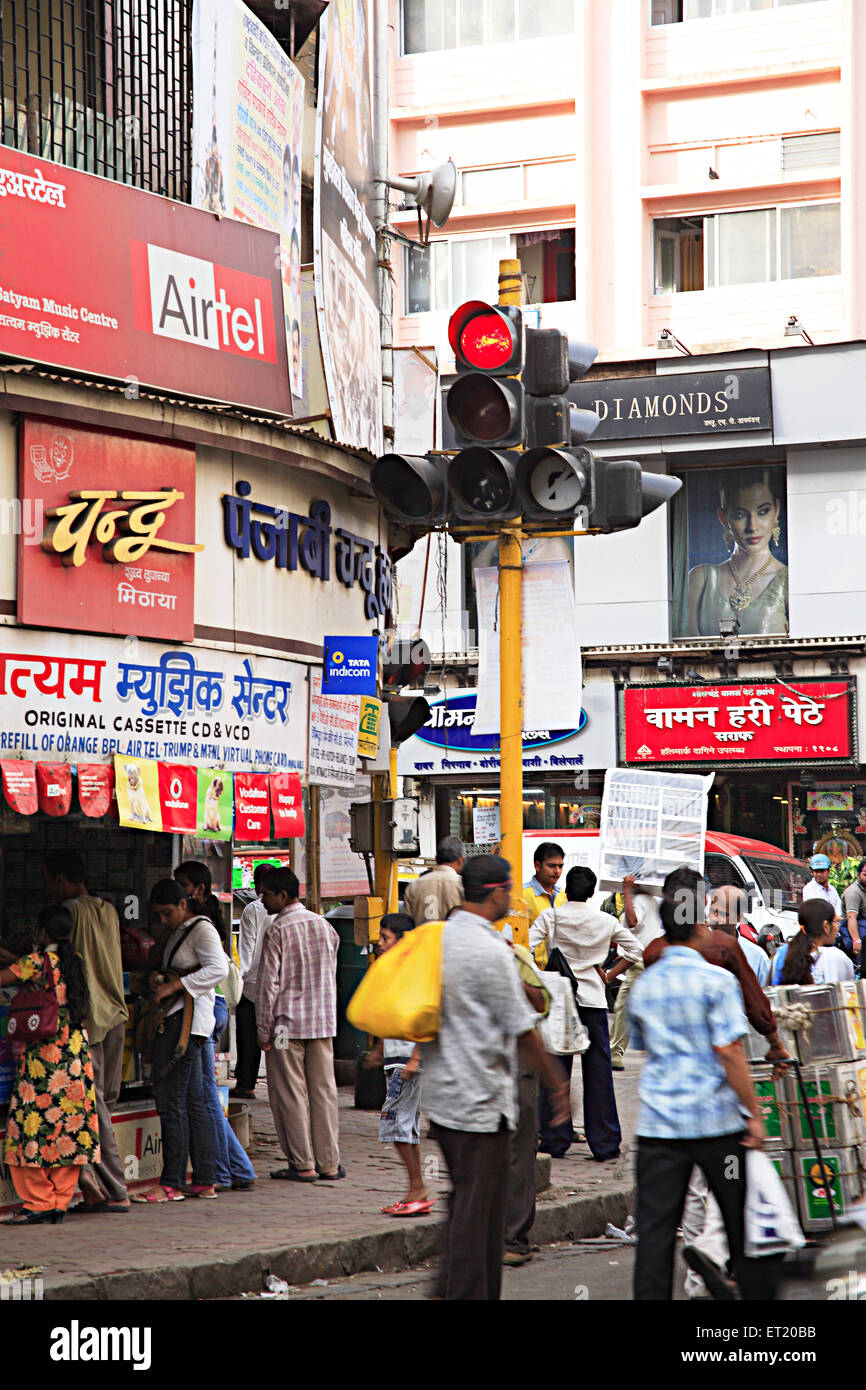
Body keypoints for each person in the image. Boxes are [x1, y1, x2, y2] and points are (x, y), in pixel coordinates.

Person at [421, 854, 570, 1301]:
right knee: (476, 1214)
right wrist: (558, 1086)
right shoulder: (490, 950)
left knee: (471, 1206)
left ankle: (465, 1290)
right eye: (508, 889)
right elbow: (523, 1027)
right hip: (480, 1104)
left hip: (446, 1099)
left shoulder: (439, 941)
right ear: (496, 892)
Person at [628, 893, 778, 1301]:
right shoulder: (718, 981)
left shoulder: (645, 984)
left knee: (655, 1236)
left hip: (659, 1129)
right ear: (698, 927)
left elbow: (643, 1045)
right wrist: (754, 1113)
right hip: (718, 1128)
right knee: (739, 1225)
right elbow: (729, 1052)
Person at [530, 864, 642, 1161]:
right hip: (593, 1001)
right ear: (592, 893)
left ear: (566, 889)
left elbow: (526, 948)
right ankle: (604, 1144)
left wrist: (541, 978)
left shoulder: (551, 915)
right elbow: (636, 951)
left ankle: (555, 1139)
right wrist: (608, 973)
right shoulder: (605, 921)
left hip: (561, 1002)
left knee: (557, 1070)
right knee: (598, 1073)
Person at [1, 906, 101, 1224]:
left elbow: (5, 977)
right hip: (73, 1052)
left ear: (42, 933)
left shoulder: (35, 962)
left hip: (43, 1056)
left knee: (29, 1124)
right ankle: (59, 1199)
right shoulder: (75, 962)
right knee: (67, 1126)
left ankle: (38, 1201)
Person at [43, 850, 129, 1213]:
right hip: (115, 1011)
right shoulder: (106, 909)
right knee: (105, 1102)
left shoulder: (71, 911)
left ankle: (114, 1188)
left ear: (61, 880)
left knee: (94, 1108)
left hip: (90, 1017)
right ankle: (96, 1184)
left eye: (50, 881)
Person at [132, 880, 227, 1202]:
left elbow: (219, 969)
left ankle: (171, 1183)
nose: (163, 920)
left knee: (171, 1103)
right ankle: (203, 1179)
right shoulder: (184, 929)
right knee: (195, 1104)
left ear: (183, 904)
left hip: (184, 1026)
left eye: (167, 913)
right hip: (192, 1025)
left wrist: (175, 986)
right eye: (158, 915)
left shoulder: (201, 930)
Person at [256, 867, 343, 1183]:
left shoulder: (277, 930)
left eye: (265, 894)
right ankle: (329, 1163)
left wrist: (262, 1031)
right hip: (321, 1023)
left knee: (289, 1094)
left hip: (285, 1028)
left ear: (282, 895)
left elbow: (268, 987)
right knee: (324, 1093)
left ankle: (302, 1163)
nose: (261, 900)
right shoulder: (325, 926)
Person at [362, 913, 430, 1217]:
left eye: (386, 937)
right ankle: (416, 1190)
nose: (380, 942)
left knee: (397, 1123)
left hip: (407, 1060)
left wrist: (416, 1057)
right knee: (405, 1125)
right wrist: (379, 1049)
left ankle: (418, 1190)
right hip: (398, 1057)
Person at [687, 467, 788, 637]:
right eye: (740, 515)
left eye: (763, 512)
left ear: (776, 511)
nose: (753, 526)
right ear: (723, 518)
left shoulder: (789, 582)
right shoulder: (701, 579)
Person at [203, 990, 257, 1192]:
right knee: (206, 1097)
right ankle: (238, 1168)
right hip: (215, 1006)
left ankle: (225, 1171)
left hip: (205, 1011)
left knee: (206, 1098)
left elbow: (216, 967)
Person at [609, 874, 663, 1070]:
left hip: (638, 964)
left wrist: (627, 891)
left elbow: (632, 921)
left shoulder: (639, 900)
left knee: (623, 1009)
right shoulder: (652, 900)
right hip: (648, 962)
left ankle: (615, 1053)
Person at [234, 863, 273, 1099]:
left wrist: (241, 978)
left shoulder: (254, 909)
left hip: (253, 984)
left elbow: (246, 948)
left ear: (257, 885)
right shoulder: (287, 910)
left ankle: (246, 1083)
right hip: (277, 984)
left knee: (248, 1035)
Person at [777, 898, 854, 985]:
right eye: (835, 922)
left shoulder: (782, 953)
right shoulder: (835, 956)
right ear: (826, 926)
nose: (837, 928)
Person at [706, 885, 770, 986]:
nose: (715, 920)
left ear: (738, 917)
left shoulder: (757, 957)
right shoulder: (697, 949)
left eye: (723, 914)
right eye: (712, 912)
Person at [403, 837, 465, 925]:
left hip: (422, 938)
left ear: (436, 859)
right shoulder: (463, 884)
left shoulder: (414, 885)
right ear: (460, 860)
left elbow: (407, 923)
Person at [523, 842, 566, 967]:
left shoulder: (561, 895)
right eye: (552, 866)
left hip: (560, 969)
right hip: (534, 971)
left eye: (560, 866)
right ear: (537, 865)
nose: (557, 871)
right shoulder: (523, 895)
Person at [174, 861, 223, 933]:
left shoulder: (204, 926)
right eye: (176, 885)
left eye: (183, 885)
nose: (178, 889)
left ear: (200, 889)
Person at [842, 858, 866, 966]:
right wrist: (857, 941)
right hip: (854, 930)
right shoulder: (854, 892)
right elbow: (851, 917)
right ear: (858, 875)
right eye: (865, 874)